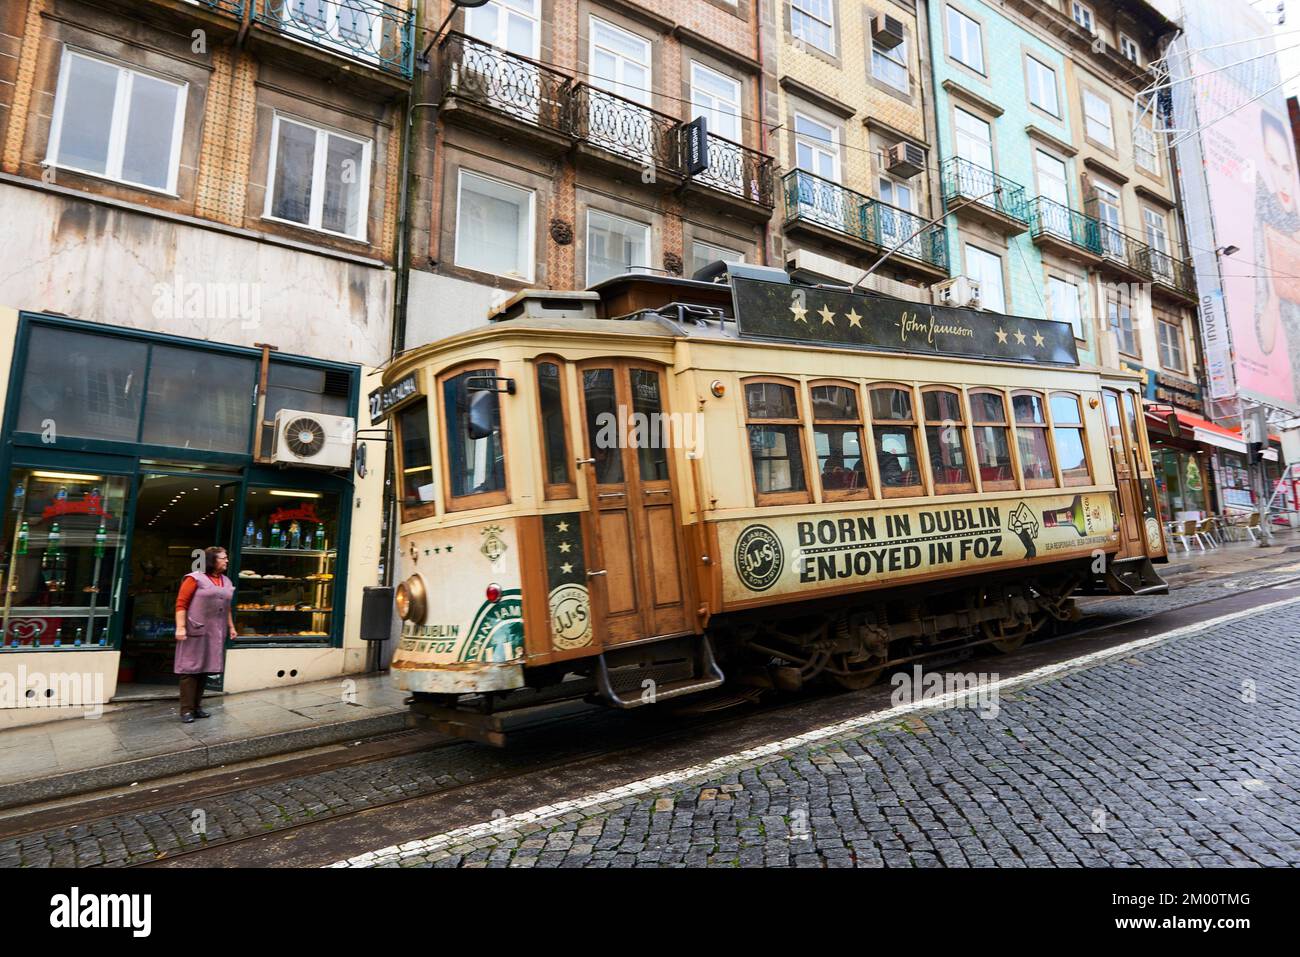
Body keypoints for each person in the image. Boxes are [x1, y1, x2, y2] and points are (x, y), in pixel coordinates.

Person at [174, 546, 236, 723]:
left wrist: (231, 627)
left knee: (204, 670)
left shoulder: (226, 580)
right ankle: (186, 710)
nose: (226, 561)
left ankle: (197, 707)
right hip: (195, 629)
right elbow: (181, 604)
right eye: (223, 558)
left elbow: (227, 607)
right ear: (212, 560)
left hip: (215, 632)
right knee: (190, 670)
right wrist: (180, 627)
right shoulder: (195, 578)